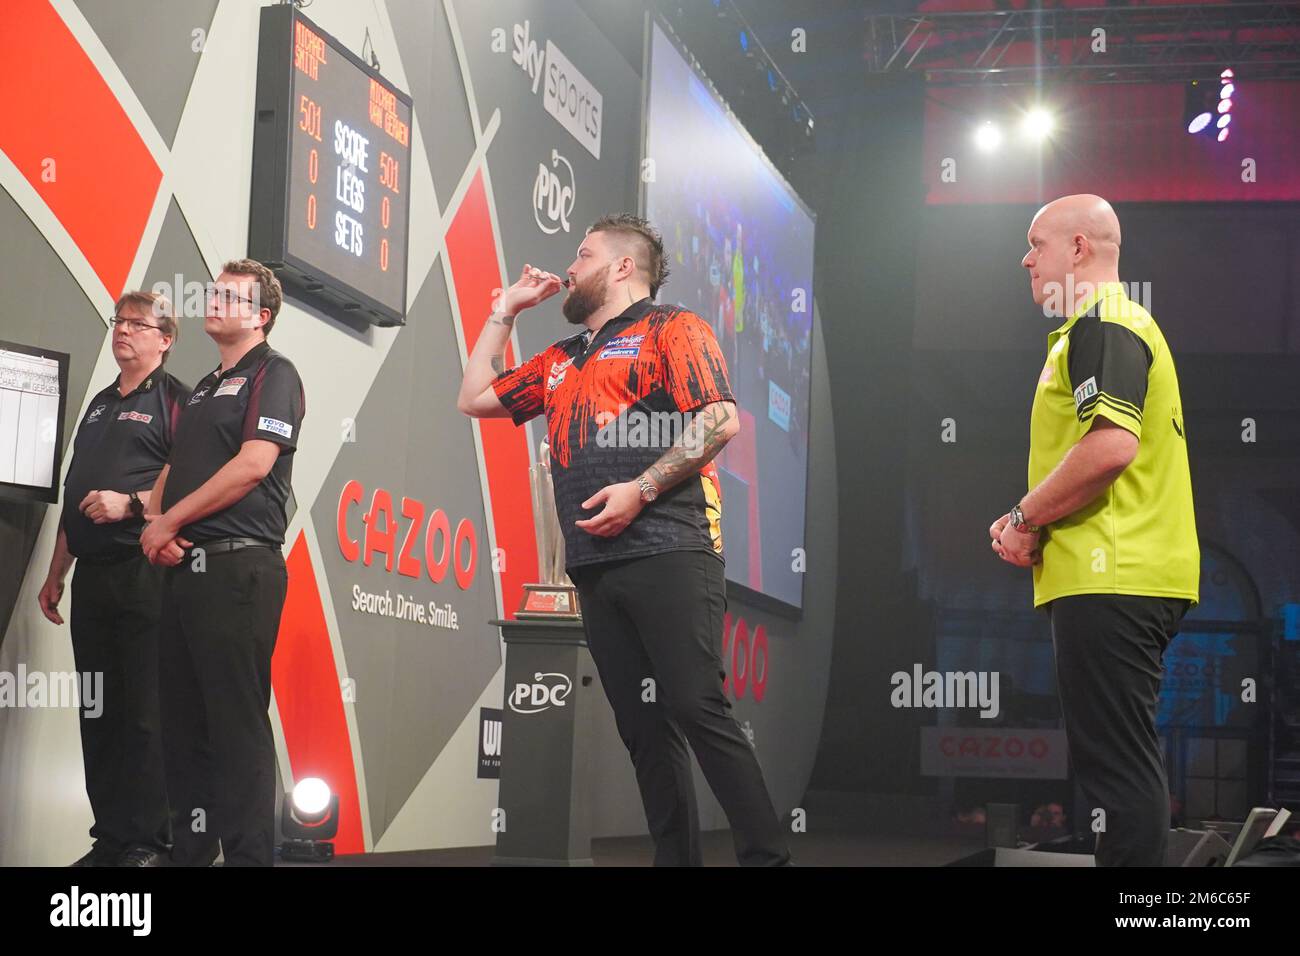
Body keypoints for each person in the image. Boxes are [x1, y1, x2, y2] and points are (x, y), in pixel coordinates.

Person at [458, 214, 791, 866]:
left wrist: (640, 489)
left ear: (620, 268)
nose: (569, 268)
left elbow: (720, 418)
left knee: (697, 707)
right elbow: (475, 398)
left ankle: (767, 858)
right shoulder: (561, 358)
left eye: (583, 255)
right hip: (594, 565)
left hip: (670, 547)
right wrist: (503, 310)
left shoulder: (673, 328)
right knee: (643, 730)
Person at [989, 194, 1199, 866]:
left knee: (1116, 768)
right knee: (1113, 763)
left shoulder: (1106, 321)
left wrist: (1023, 517)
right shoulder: (1106, 326)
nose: (1026, 258)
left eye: (1036, 242)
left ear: (1079, 247)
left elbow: (1111, 448)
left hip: (1115, 570)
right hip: (1124, 571)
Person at [140, 259, 305, 866]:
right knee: (182, 727)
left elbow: (254, 464)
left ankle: (249, 860)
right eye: (213, 293)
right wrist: (156, 524)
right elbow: (174, 469)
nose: (216, 301)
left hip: (240, 571)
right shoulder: (205, 386)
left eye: (233, 297)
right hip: (185, 570)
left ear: (262, 316)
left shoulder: (274, 371)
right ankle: (191, 855)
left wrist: (170, 521)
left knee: (236, 728)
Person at [39, 291, 188, 867]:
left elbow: (191, 484)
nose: (123, 331)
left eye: (137, 324)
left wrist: (130, 501)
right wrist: (57, 573)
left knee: (145, 712)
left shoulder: (177, 401)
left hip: (145, 572)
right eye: (118, 322)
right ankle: (113, 837)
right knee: (98, 711)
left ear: (165, 338)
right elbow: (77, 495)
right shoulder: (99, 406)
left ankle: (153, 841)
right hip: (92, 579)